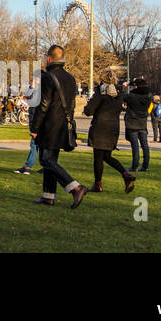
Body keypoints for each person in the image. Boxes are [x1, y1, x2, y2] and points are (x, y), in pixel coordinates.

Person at [28, 45, 88, 207]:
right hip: (63, 124)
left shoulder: (48, 77)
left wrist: (34, 128)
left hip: (49, 125)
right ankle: (48, 196)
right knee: (50, 160)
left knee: (46, 160)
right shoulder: (70, 78)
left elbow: (43, 105)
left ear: (48, 59)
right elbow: (72, 104)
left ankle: (75, 187)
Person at [83, 76, 134, 193]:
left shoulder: (100, 96)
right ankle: (125, 174)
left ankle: (98, 184)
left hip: (100, 129)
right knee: (107, 156)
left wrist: (91, 101)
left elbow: (88, 111)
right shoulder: (119, 97)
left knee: (98, 158)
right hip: (113, 129)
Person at [123, 79, 151, 172]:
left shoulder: (132, 96)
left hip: (132, 124)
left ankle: (135, 166)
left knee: (135, 146)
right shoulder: (147, 97)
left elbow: (122, 97)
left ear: (136, 86)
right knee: (145, 146)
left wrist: (125, 87)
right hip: (142, 124)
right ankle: (145, 166)